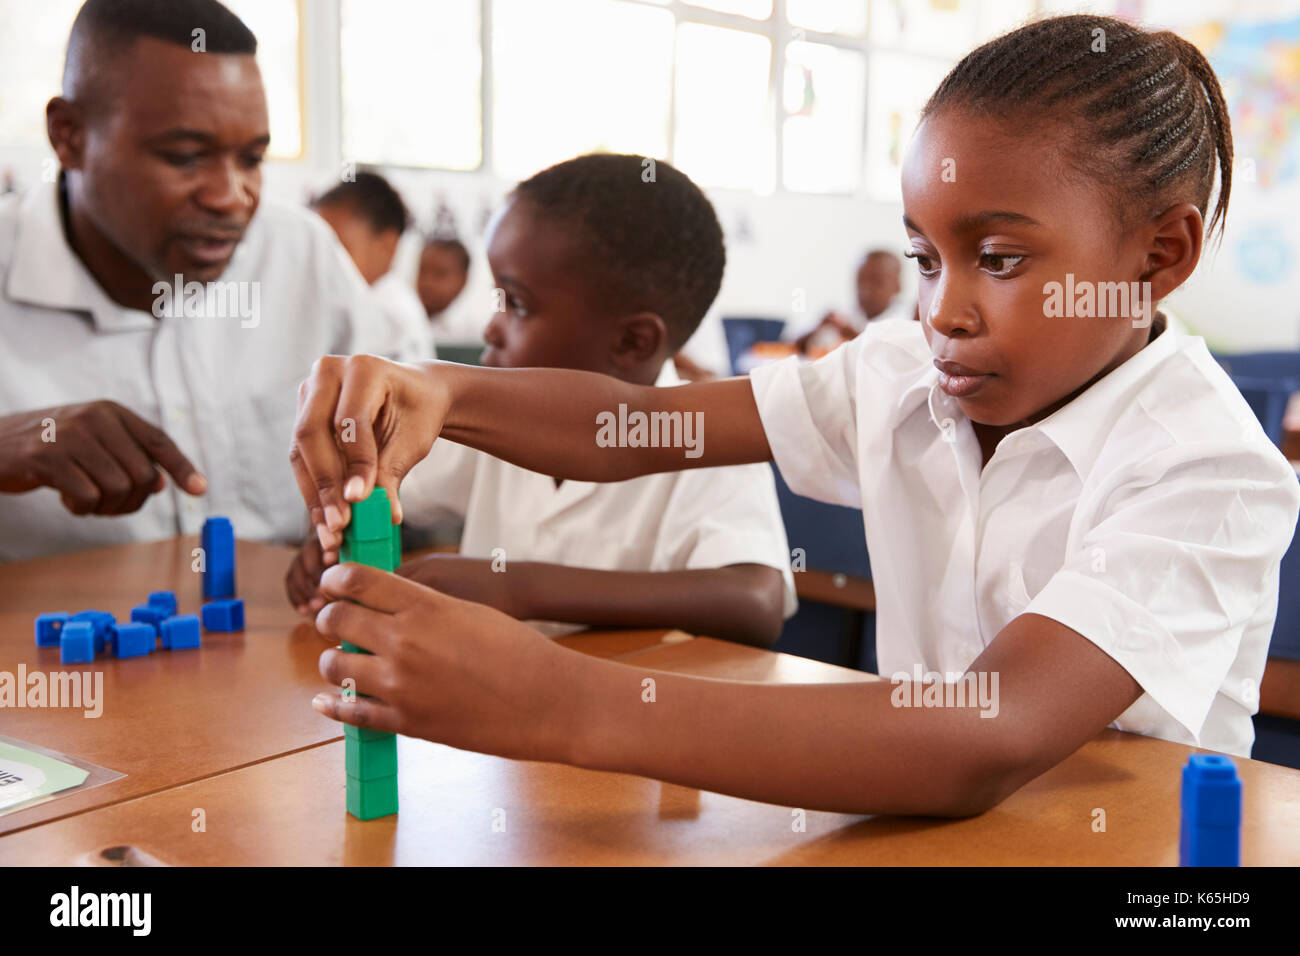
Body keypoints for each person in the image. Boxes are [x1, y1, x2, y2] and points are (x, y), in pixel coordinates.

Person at [291, 16, 1299, 815]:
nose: (940, 308)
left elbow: (978, 734)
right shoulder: (901, 370)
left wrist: (558, 700)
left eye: (998, 259)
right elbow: (633, 429)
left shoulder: (1205, 467)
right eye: (923, 257)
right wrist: (443, 389)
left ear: (1158, 256)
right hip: (916, 831)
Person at [286, 154, 795, 646]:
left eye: (518, 304)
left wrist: (517, 587)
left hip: (626, 718)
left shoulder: (704, 439)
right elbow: (390, 490)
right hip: (473, 712)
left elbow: (755, 600)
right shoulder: (489, 422)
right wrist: (335, 538)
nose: (491, 326)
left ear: (631, 342)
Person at [0, 0, 394, 561]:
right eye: (186, 156)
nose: (231, 196)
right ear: (69, 136)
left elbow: (417, 440)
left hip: (290, 639)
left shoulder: (299, 251)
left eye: (252, 158)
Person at [311, 171, 426, 359]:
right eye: (318, 251)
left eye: (339, 251)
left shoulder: (392, 312)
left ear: (388, 244)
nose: (323, 263)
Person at [794, 249, 906, 354]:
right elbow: (791, 346)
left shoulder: (907, 322)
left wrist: (854, 336)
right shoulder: (842, 315)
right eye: (861, 280)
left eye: (877, 282)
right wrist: (818, 328)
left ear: (898, 286)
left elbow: (891, 357)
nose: (866, 289)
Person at [416, 236, 475, 345]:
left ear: (463, 279)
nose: (427, 282)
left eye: (440, 274)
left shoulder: (473, 334)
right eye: (422, 271)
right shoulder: (404, 322)